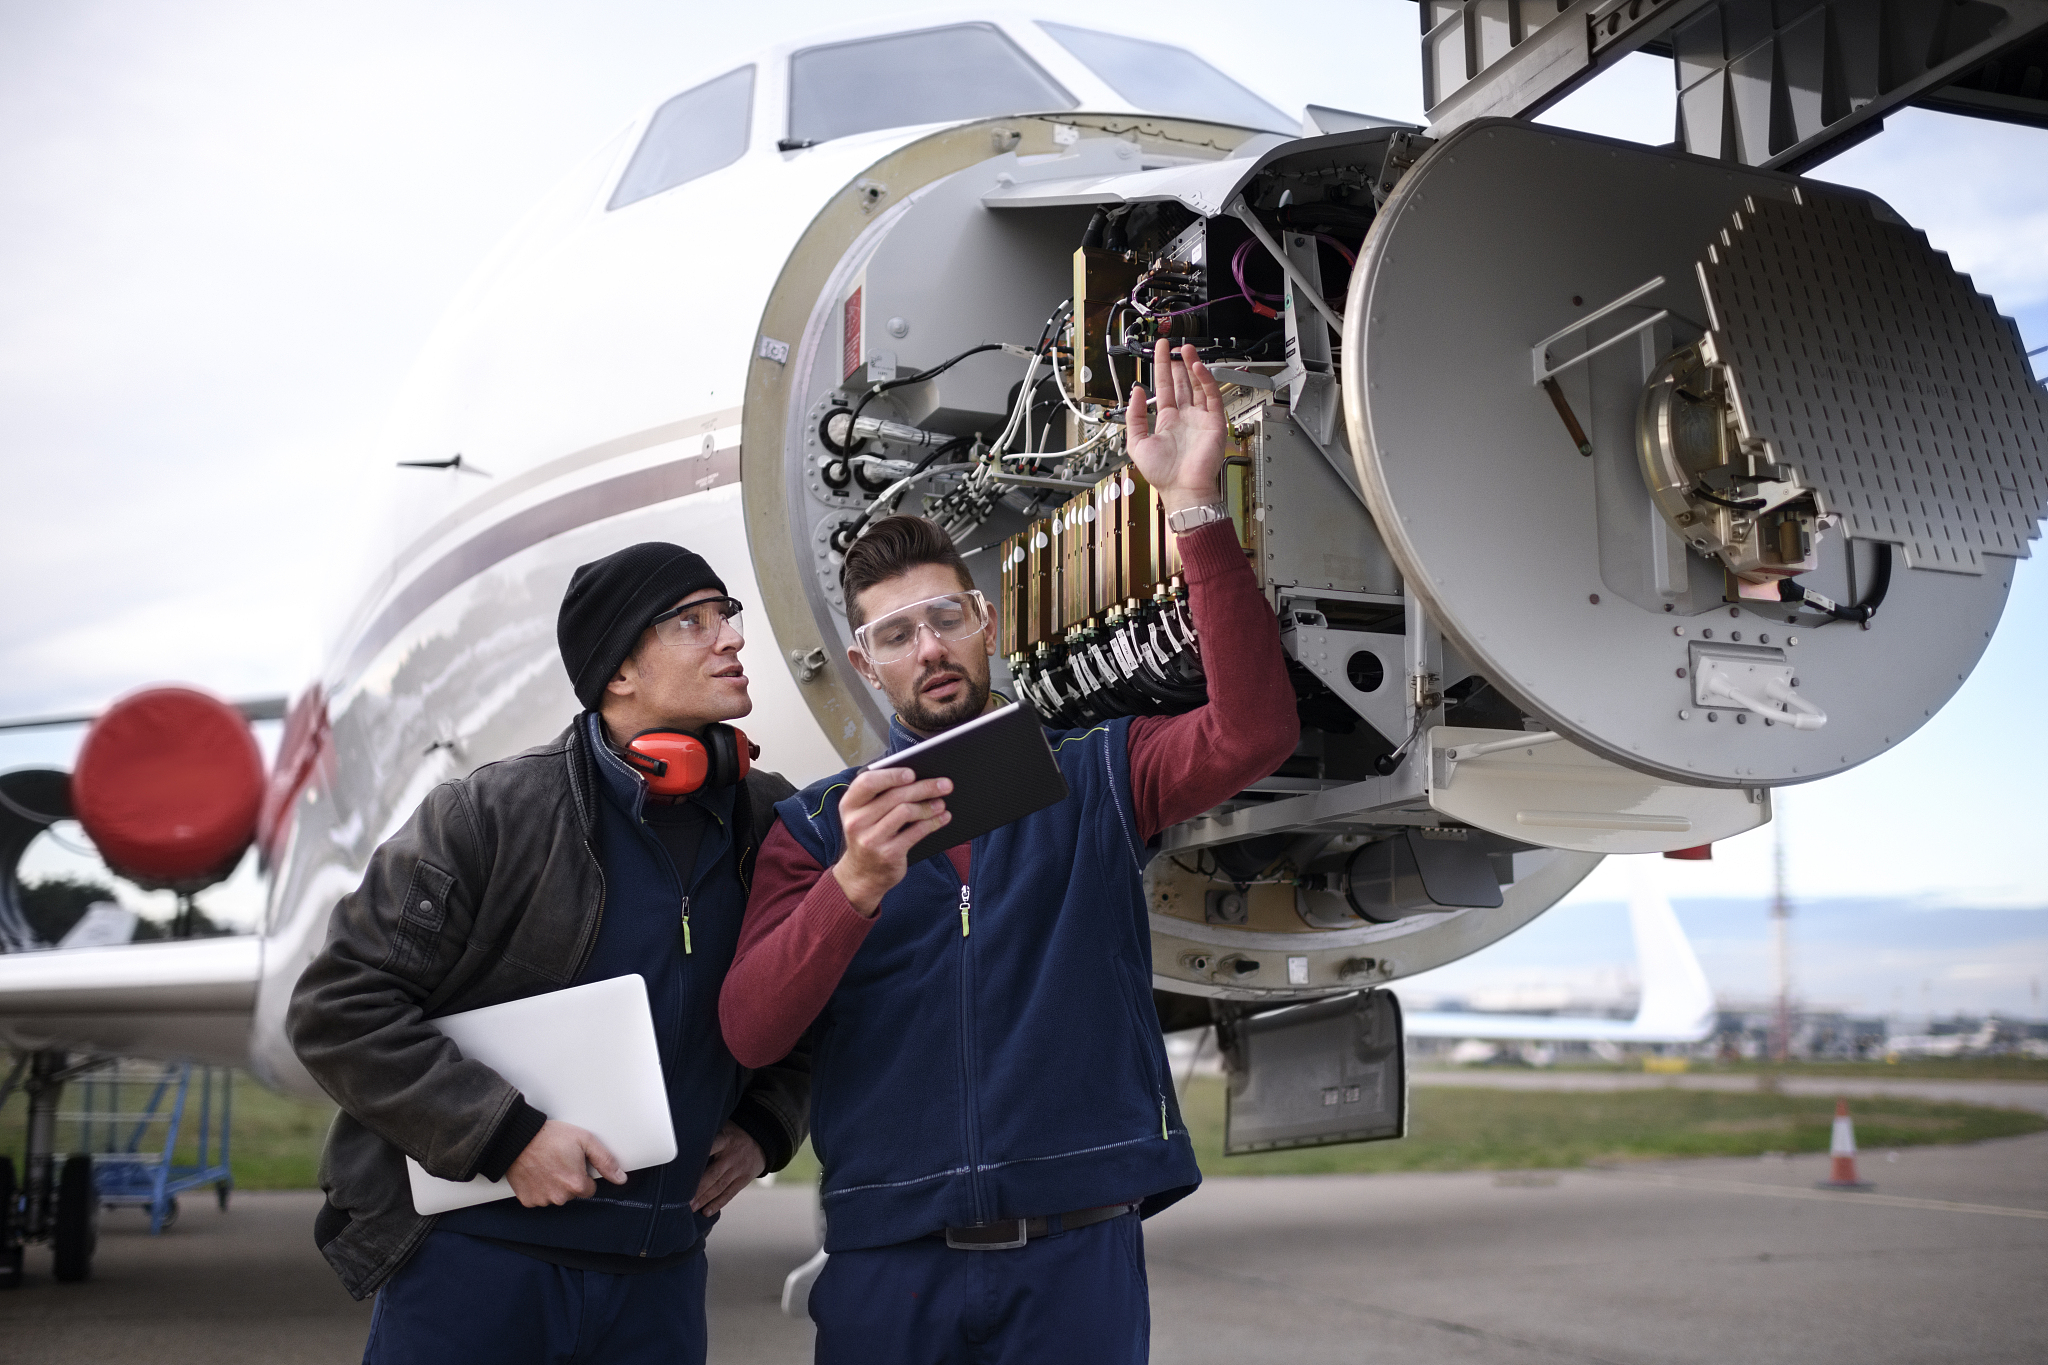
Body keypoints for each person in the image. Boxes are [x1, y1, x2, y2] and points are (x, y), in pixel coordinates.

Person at [720, 340, 1299, 1363]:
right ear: (864, 661)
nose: (928, 648)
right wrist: (852, 886)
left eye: (946, 617)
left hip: (1075, 1259)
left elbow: (1251, 732)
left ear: (985, 622)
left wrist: (1194, 509)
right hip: (887, 1264)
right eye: (896, 635)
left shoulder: (1093, 778)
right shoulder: (813, 832)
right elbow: (753, 1031)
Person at [288, 541, 809, 1365]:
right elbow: (336, 1008)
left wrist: (767, 1124)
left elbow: (817, 998)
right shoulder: (487, 816)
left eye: (727, 615)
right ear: (618, 674)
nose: (730, 637)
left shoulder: (774, 820)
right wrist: (507, 1137)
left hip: (662, 1279)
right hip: (477, 1267)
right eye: (691, 620)